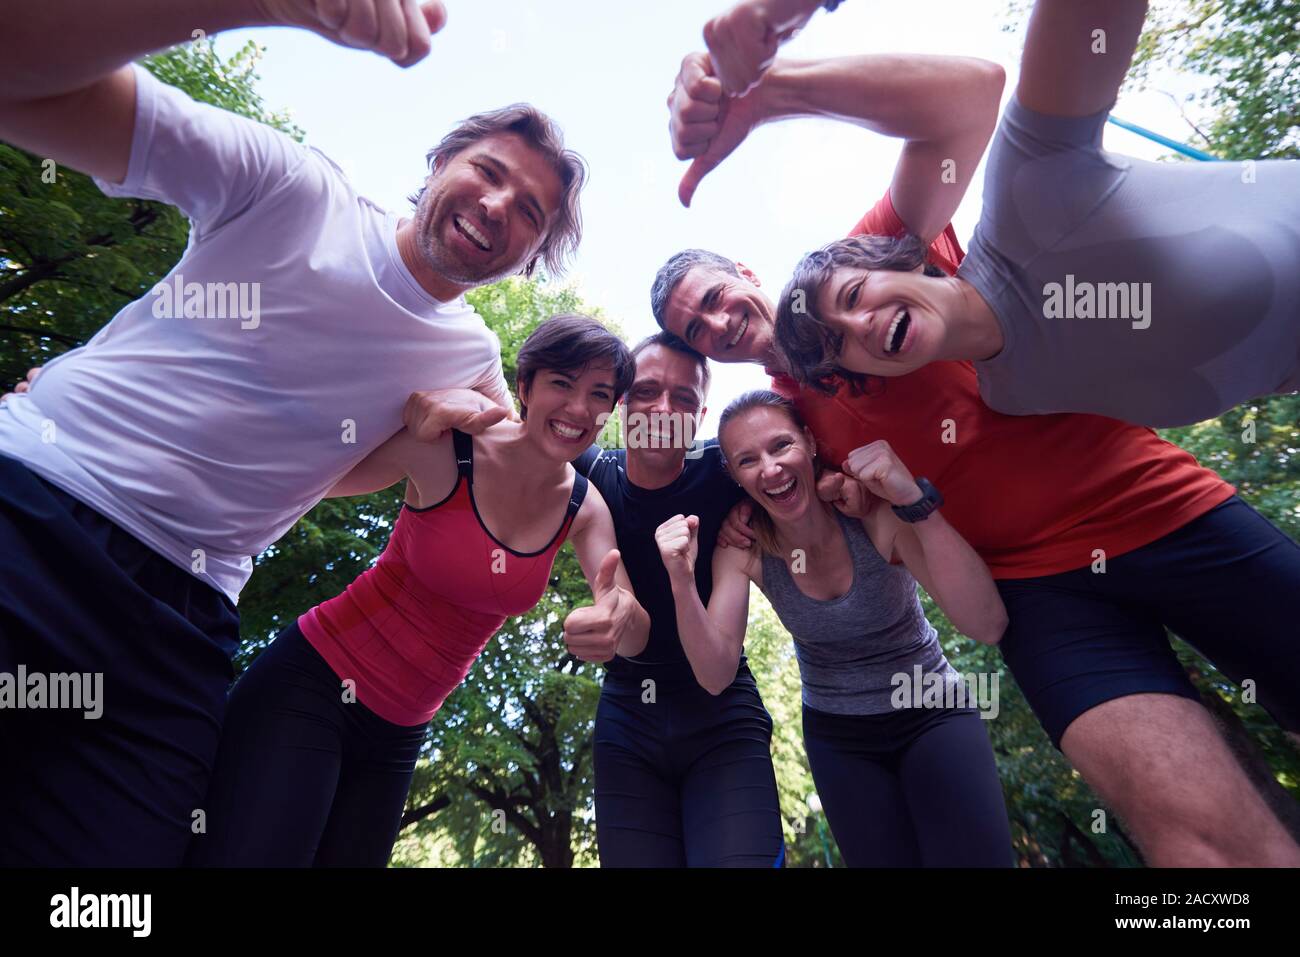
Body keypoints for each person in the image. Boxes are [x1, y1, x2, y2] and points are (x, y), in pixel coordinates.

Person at [657, 0, 1300, 866]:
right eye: (696, 329)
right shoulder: (787, 435)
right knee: (1198, 848)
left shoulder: (864, 268)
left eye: (714, 295)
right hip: (1043, 598)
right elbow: (816, 522)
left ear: (743, 270)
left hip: (1163, 509)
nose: (717, 321)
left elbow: (969, 99)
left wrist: (768, 92)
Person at [0, 1, 586, 865]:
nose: (499, 205)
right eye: (488, 169)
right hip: (39, 508)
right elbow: (19, 74)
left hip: (182, 622)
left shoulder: (472, 355)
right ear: (438, 162)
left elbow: (543, 463)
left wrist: (619, 574)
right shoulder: (291, 190)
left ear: (531, 254)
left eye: (531, 212)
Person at [189, 315, 649, 866]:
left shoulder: (585, 507)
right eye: (561, 383)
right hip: (313, 685)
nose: (578, 408)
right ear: (525, 386)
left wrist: (614, 617)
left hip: (400, 733)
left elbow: (633, 629)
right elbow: (305, 476)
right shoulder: (453, 446)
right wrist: (405, 411)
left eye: (598, 394)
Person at [774, 0, 1299, 428]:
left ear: (903, 259)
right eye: (837, 342)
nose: (859, 325)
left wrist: (770, 84)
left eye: (852, 296)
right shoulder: (1014, 397)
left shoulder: (1029, 193)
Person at [657, 390, 1013, 866]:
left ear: (808, 441)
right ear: (735, 477)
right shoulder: (742, 548)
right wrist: (681, 580)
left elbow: (986, 623)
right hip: (839, 737)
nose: (769, 469)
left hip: (932, 709)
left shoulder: (870, 514)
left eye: (780, 446)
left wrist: (910, 497)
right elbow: (715, 673)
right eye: (748, 460)